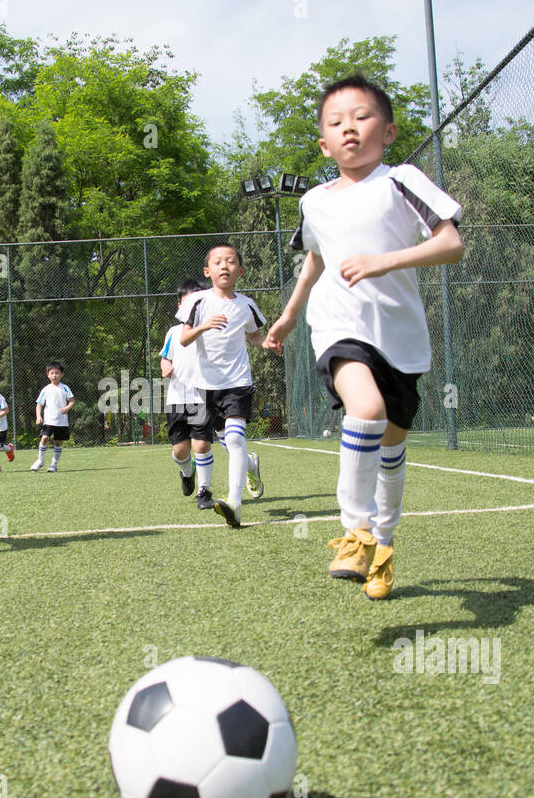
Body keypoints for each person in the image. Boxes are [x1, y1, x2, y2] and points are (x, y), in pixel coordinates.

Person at [265, 73, 464, 598]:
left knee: (392, 447)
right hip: (338, 326)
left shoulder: (402, 181)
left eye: (362, 117)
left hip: (399, 336)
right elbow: (316, 259)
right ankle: (354, 531)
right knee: (366, 411)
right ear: (323, 142)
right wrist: (288, 315)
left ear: (389, 130)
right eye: (336, 122)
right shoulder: (313, 201)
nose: (349, 128)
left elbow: (451, 244)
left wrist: (384, 262)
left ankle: (382, 545)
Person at [176, 243, 266, 528]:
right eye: (217, 262)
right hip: (205, 386)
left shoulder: (247, 305)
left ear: (240, 270)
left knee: (236, 438)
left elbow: (255, 337)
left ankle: (234, 503)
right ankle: (251, 465)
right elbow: (184, 339)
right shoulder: (197, 302)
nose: (224, 266)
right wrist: (204, 326)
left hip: (238, 382)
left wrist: (271, 343)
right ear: (208, 271)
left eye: (230, 261)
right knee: (224, 442)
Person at [160, 279, 209, 496]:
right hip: (177, 398)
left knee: (201, 446)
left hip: (202, 397)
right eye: (186, 302)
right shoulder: (173, 332)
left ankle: (204, 491)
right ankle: (187, 473)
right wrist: (165, 366)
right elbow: (164, 358)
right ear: (179, 306)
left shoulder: (210, 330)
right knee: (180, 451)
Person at [33, 363, 74, 472]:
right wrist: (38, 416)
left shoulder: (65, 388)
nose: (54, 375)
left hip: (61, 422)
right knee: (44, 438)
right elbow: (39, 404)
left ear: (62, 374)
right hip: (49, 420)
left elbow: (72, 401)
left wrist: (67, 408)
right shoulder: (46, 389)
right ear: (48, 375)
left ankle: (54, 465)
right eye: (52, 373)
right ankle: (40, 461)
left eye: (57, 373)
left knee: (58, 442)